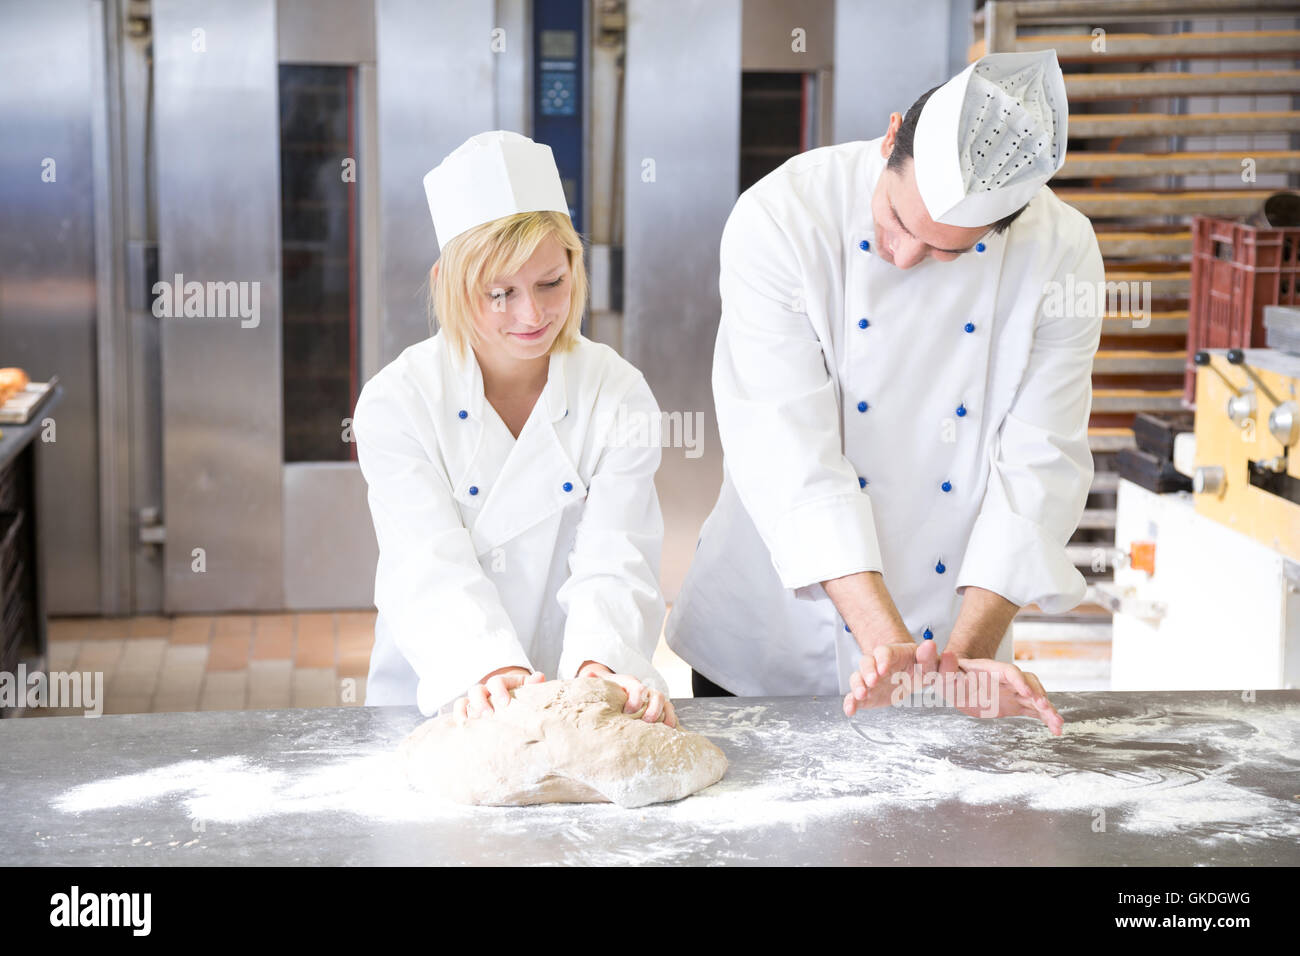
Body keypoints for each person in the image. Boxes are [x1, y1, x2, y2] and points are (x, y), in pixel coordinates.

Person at [668, 51, 1102, 735]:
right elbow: (787, 453)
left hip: (954, 629)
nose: (903, 256)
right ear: (891, 134)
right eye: (898, 222)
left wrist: (960, 662)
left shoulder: (1063, 252)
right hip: (769, 643)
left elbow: (1040, 461)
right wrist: (882, 641)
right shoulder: (783, 217)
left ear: (1006, 226)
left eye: (945, 252)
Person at [354, 130, 675, 728]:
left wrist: (599, 667)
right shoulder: (398, 403)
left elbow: (617, 553)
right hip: (446, 686)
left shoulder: (616, 392)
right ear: (446, 284)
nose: (532, 316)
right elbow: (428, 559)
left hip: (578, 689)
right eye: (499, 293)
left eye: (551, 283)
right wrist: (487, 667)